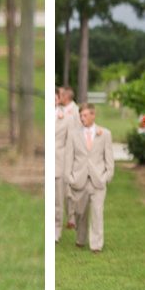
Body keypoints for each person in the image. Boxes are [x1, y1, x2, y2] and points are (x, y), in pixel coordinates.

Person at [66, 103, 114, 252]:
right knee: (80, 213)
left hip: (98, 180)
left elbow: (109, 158)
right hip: (79, 180)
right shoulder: (74, 134)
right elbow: (69, 157)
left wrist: (106, 176)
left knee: (97, 212)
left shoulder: (105, 134)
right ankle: (80, 238)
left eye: (85, 115)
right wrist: (70, 177)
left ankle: (96, 245)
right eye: (81, 116)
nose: (82, 118)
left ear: (93, 115)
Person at [54, 86, 80, 238]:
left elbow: (72, 141)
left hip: (59, 162)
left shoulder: (69, 116)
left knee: (61, 196)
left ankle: (57, 228)